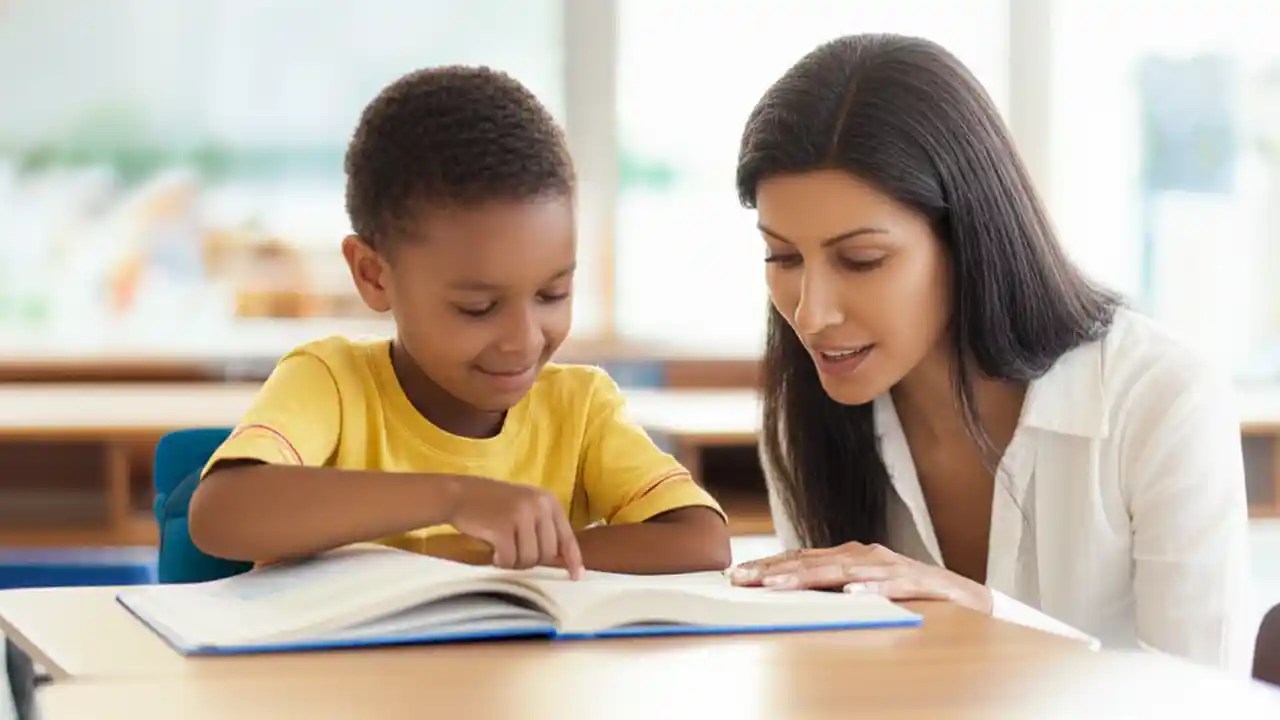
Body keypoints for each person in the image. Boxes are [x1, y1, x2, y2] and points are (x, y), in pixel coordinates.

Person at [727, 34, 1252, 670]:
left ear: (970, 238)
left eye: (862, 261)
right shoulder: (803, 417)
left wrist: (982, 618)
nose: (810, 313)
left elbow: (1200, 701)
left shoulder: (1160, 396)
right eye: (782, 257)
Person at [189, 66, 730, 577]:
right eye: (478, 308)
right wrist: (455, 498)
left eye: (552, 293)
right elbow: (221, 513)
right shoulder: (331, 382)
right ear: (374, 275)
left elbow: (700, 541)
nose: (523, 341)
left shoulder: (580, 408)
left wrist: (484, 565)